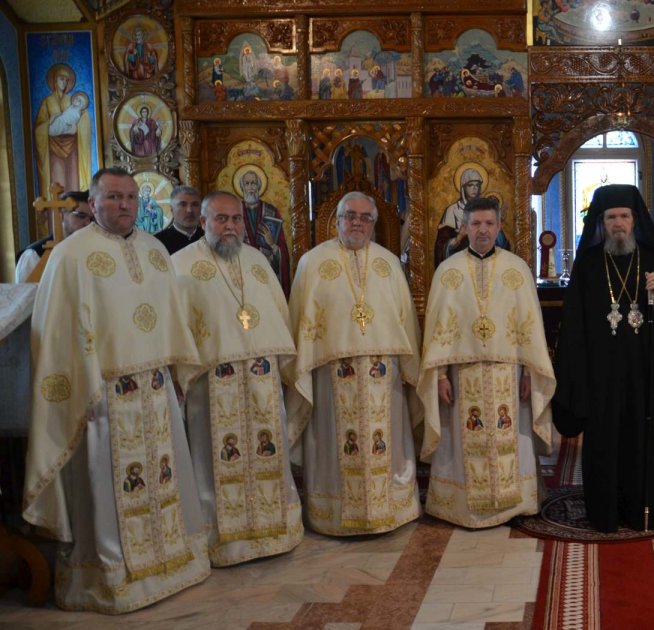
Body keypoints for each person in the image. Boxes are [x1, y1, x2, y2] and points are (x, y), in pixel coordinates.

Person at [23, 167, 211, 613]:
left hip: (156, 389)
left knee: (163, 479)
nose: (123, 205)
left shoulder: (153, 250)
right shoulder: (70, 256)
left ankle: (169, 563)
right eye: (112, 197)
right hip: (103, 396)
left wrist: (176, 371)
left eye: (130, 197)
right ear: (93, 201)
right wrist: (77, 393)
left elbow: (172, 317)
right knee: (108, 488)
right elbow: (57, 334)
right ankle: (111, 575)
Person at [172, 190, 304, 566]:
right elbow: (177, 327)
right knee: (214, 460)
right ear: (203, 222)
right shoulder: (181, 265)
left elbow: (276, 313)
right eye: (220, 219)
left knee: (268, 452)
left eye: (234, 219)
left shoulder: (258, 261)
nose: (229, 226)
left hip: (260, 379)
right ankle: (221, 541)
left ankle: (275, 529)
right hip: (210, 385)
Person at [286, 191, 424, 536]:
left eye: (365, 217)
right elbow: (299, 321)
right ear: (337, 220)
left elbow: (405, 321)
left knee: (385, 442)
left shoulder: (389, 263)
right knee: (335, 443)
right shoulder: (312, 263)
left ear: (374, 224)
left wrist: (411, 369)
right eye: (350, 216)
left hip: (383, 378)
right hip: (331, 377)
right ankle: (332, 513)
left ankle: (389, 508)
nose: (357, 223)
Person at [552, 184, 654, 532]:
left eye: (625, 216)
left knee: (640, 440)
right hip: (600, 375)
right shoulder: (588, 264)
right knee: (603, 442)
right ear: (600, 222)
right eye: (611, 217)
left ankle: (642, 508)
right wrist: (578, 377)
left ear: (635, 219)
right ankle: (604, 513)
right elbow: (574, 327)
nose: (618, 224)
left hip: (641, 373)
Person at [418, 197, 556, 528]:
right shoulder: (447, 272)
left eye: (489, 224)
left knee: (513, 437)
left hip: (508, 375)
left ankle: (516, 502)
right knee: (461, 439)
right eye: (476, 224)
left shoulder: (516, 269)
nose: (482, 230)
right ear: (464, 227)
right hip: (461, 377)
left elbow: (529, 328)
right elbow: (437, 332)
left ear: (499, 227)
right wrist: (438, 376)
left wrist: (528, 373)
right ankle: (459, 505)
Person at [34, 64, 93, 196]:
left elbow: (82, 117)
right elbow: (39, 128)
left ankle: (76, 215)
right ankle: (58, 216)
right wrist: (50, 122)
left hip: (72, 148)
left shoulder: (73, 101)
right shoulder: (47, 101)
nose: (64, 82)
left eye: (67, 80)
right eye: (61, 79)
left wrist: (77, 125)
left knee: (73, 181)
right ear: (54, 80)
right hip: (54, 149)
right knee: (57, 181)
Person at [16, 190, 92, 282]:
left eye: (92, 219)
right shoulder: (34, 255)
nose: (88, 223)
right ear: (61, 215)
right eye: (81, 216)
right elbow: (26, 293)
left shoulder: (91, 250)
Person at [238, 169, 291, 294]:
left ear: (259, 186)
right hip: (242, 276)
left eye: (254, 183)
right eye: (247, 183)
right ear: (242, 187)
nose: (251, 187)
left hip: (267, 275)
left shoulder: (271, 211)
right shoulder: (235, 211)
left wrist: (272, 244)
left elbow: (282, 250)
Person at [154, 186, 204, 254]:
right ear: (172, 209)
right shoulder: (158, 242)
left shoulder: (209, 237)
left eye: (194, 205)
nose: (189, 210)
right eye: (183, 205)